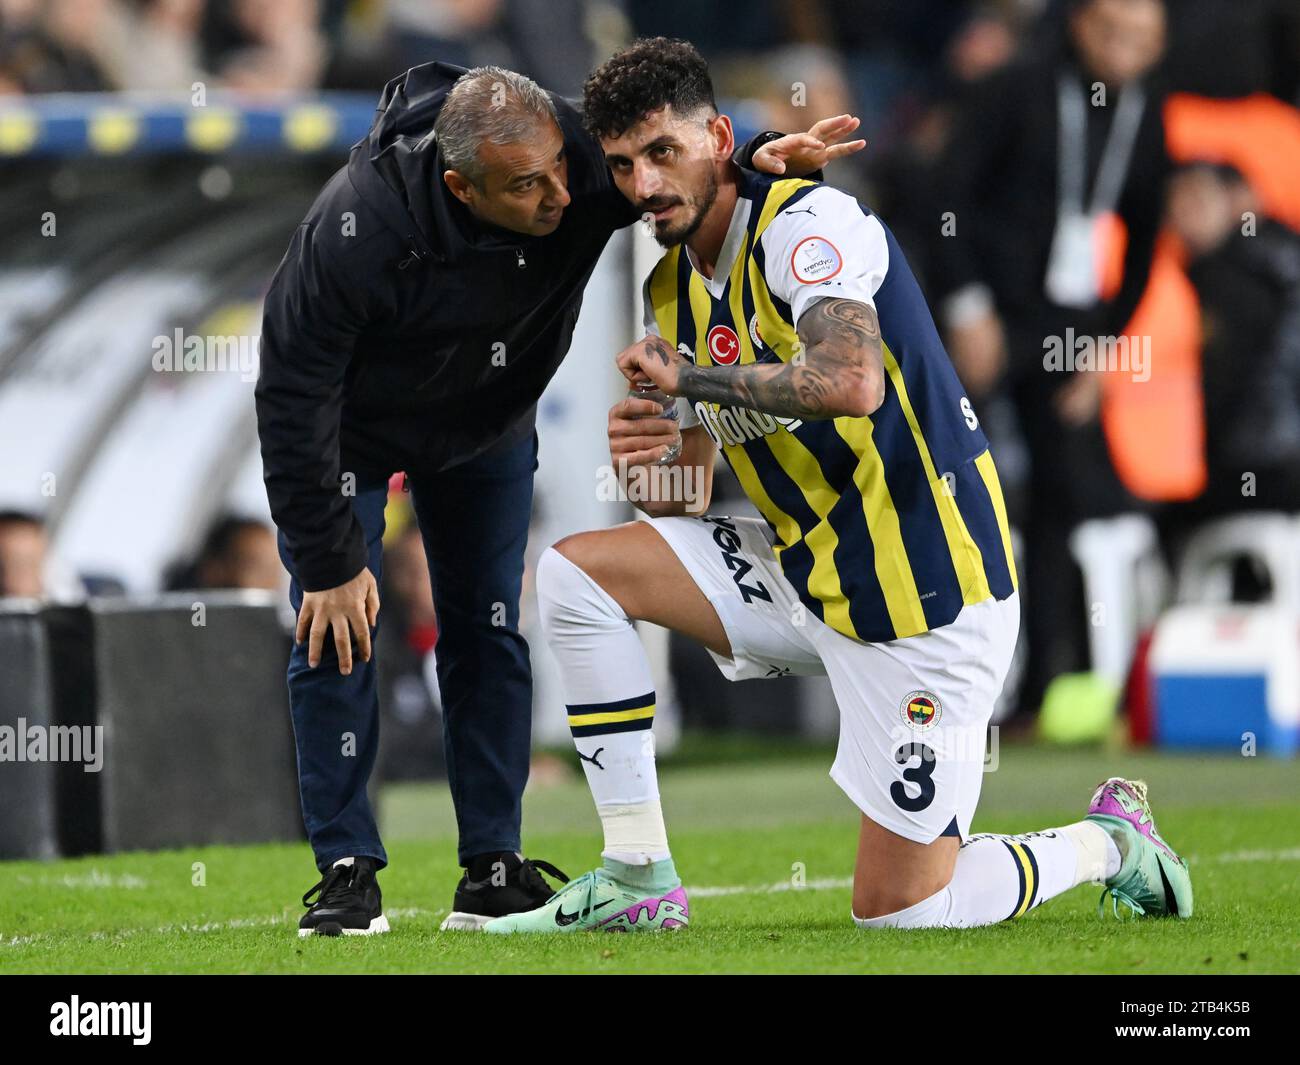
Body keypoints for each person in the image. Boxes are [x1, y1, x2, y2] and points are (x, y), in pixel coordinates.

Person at [483, 37, 1192, 934]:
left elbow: (849, 380)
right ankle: (636, 876)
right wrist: (654, 454)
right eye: (623, 165)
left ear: (718, 139)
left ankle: (1108, 842)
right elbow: (687, 489)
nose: (644, 184)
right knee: (575, 575)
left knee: (902, 912)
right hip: (804, 573)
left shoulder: (806, 228)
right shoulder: (673, 287)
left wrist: (690, 385)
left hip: (925, 594)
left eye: (664, 152)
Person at [255, 56, 865, 937]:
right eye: (526, 186)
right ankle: (347, 870)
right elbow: (291, 392)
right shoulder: (354, 226)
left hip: (486, 425)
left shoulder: (583, 161)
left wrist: (763, 151)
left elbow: (676, 163)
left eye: (561, 170)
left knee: (489, 629)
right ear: (460, 187)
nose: (560, 197)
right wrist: (325, 562)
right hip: (353, 435)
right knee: (335, 625)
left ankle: (492, 865)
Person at [928, 0, 1172, 721]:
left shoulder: (1144, 111)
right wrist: (968, 307)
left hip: (1071, 330)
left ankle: (1043, 692)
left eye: (1145, 42)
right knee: (958, 487)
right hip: (989, 313)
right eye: (1116, 34)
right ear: (1081, 24)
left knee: (1062, 498)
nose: (1128, 53)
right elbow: (947, 196)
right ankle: (944, 685)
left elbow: (1147, 236)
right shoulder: (1018, 86)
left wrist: (1103, 350)